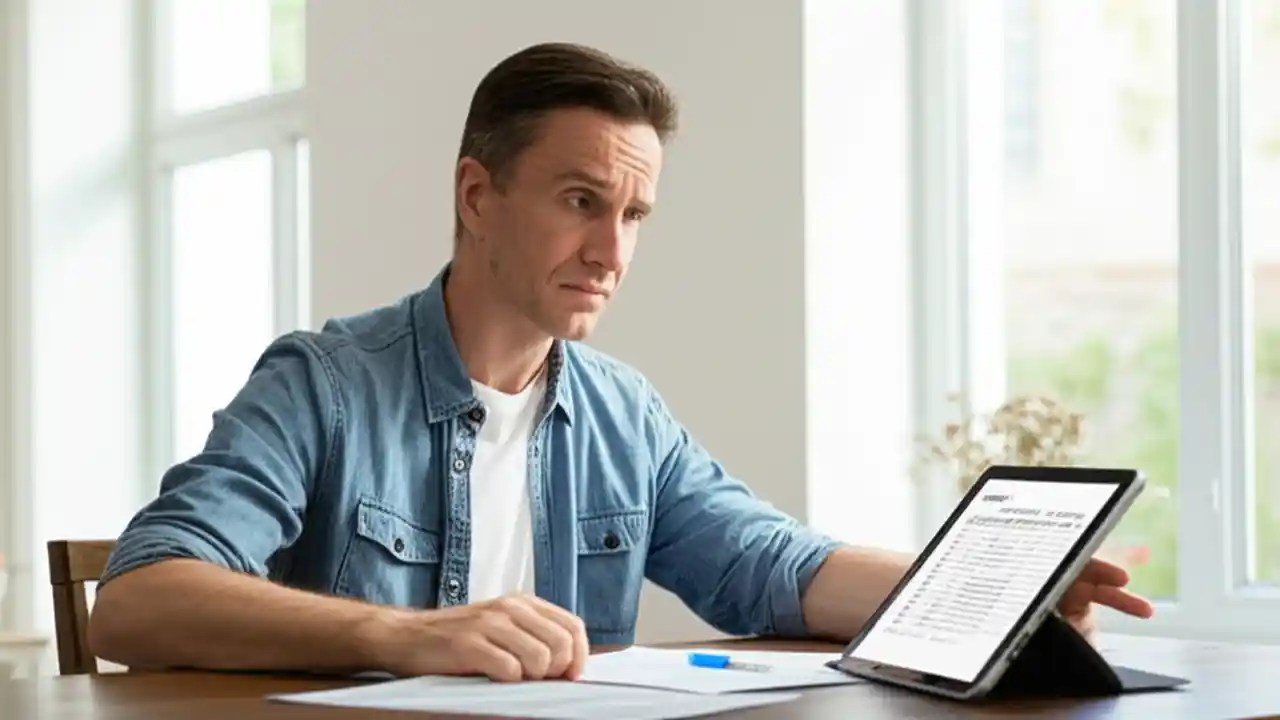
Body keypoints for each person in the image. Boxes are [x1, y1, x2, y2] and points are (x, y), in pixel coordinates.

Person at [87, 41, 1153, 683]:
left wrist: (988, 592)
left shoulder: (619, 413)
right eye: (580, 202)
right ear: (476, 195)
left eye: (633, 213)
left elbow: (769, 568)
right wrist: (407, 635)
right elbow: (137, 601)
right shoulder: (322, 383)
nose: (611, 251)